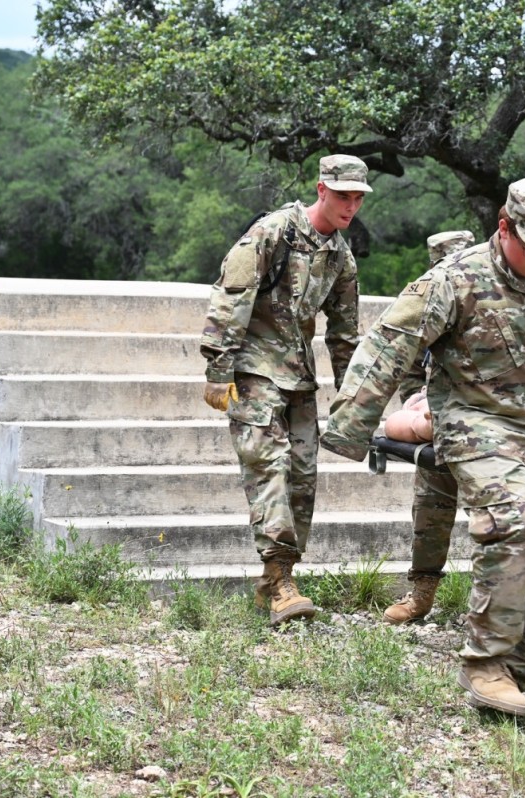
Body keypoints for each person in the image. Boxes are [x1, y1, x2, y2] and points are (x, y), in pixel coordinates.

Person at [321, 179, 525, 717]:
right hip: (475, 423)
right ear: (504, 225)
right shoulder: (456, 278)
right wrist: (352, 425)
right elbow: (388, 345)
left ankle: (516, 660)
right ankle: (484, 662)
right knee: (514, 525)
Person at [200, 154, 372, 627]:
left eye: (358, 197)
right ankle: (280, 583)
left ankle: (277, 577)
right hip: (252, 366)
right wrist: (219, 368)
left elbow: (344, 333)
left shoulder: (341, 254)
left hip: (297, 373)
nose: (350, 205)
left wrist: (352, 397)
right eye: (342, 195)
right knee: (268, 466)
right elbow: (231, 294)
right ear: (322, 189)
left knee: (301, 476)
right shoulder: (274, 232)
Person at [381, 229, 476, 625]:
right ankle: (422, 590)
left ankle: (499, 609)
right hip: (435, 421)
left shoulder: (491, 302)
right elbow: (406, 366)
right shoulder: (425, 303)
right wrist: (417, 403)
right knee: (431, 508)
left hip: (484, 423)